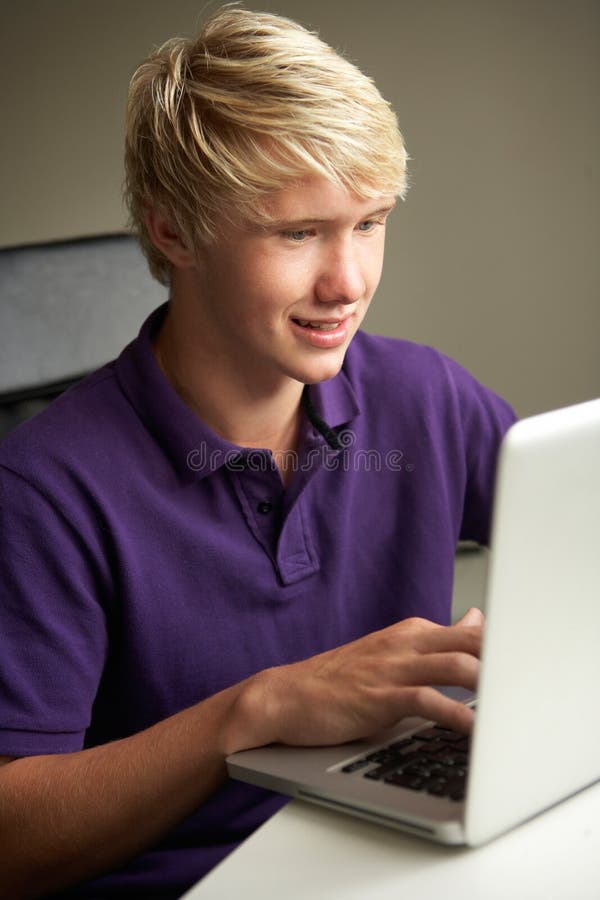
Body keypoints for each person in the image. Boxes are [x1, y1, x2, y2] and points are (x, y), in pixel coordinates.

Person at [0, 7, 516, 898]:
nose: (347, 282)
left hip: (400, 858)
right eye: (298, 232)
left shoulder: (426, 394)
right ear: (173, 231)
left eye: (369, 223)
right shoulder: (42, 490)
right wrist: (256, 710)